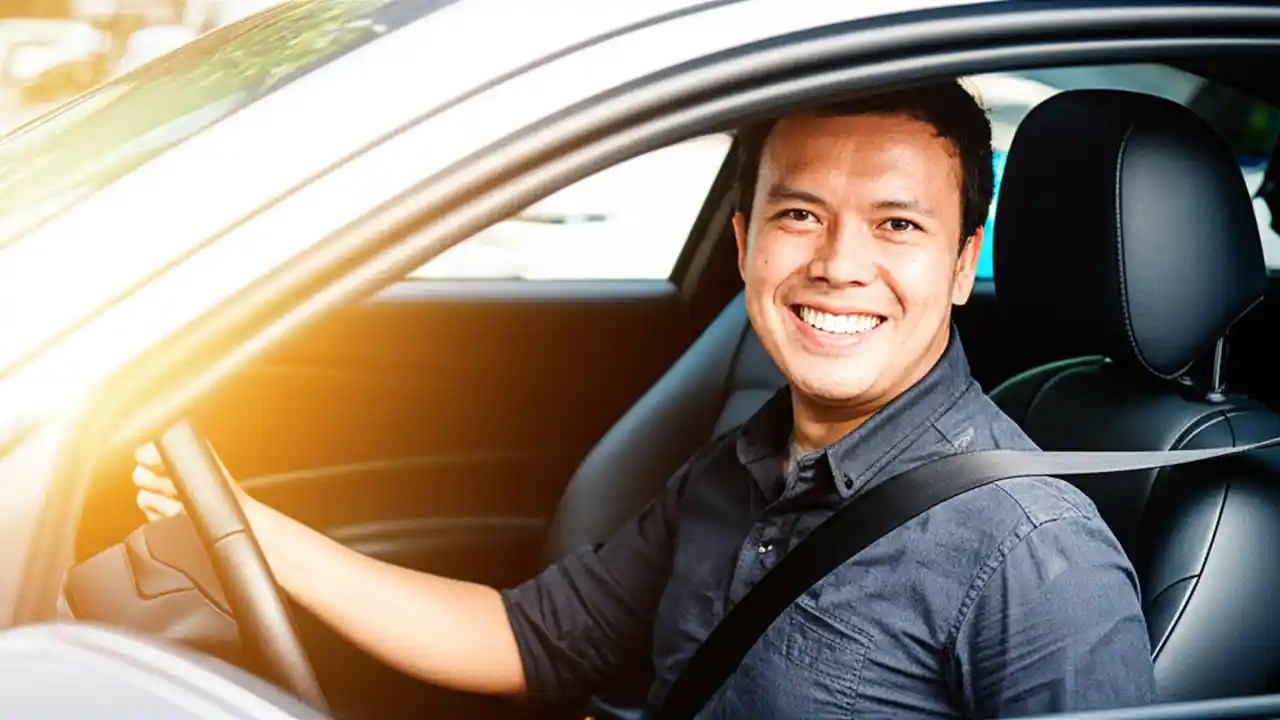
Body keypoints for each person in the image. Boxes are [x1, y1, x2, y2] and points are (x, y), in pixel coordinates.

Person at [135, 80, 1157, 717]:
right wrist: (247, 528)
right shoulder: (736, 467)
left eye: (896, 226)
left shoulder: (1029, 554)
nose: (839, 264)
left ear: (958, 263)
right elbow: (527, 643)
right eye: (800, 214)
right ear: (747, 245)